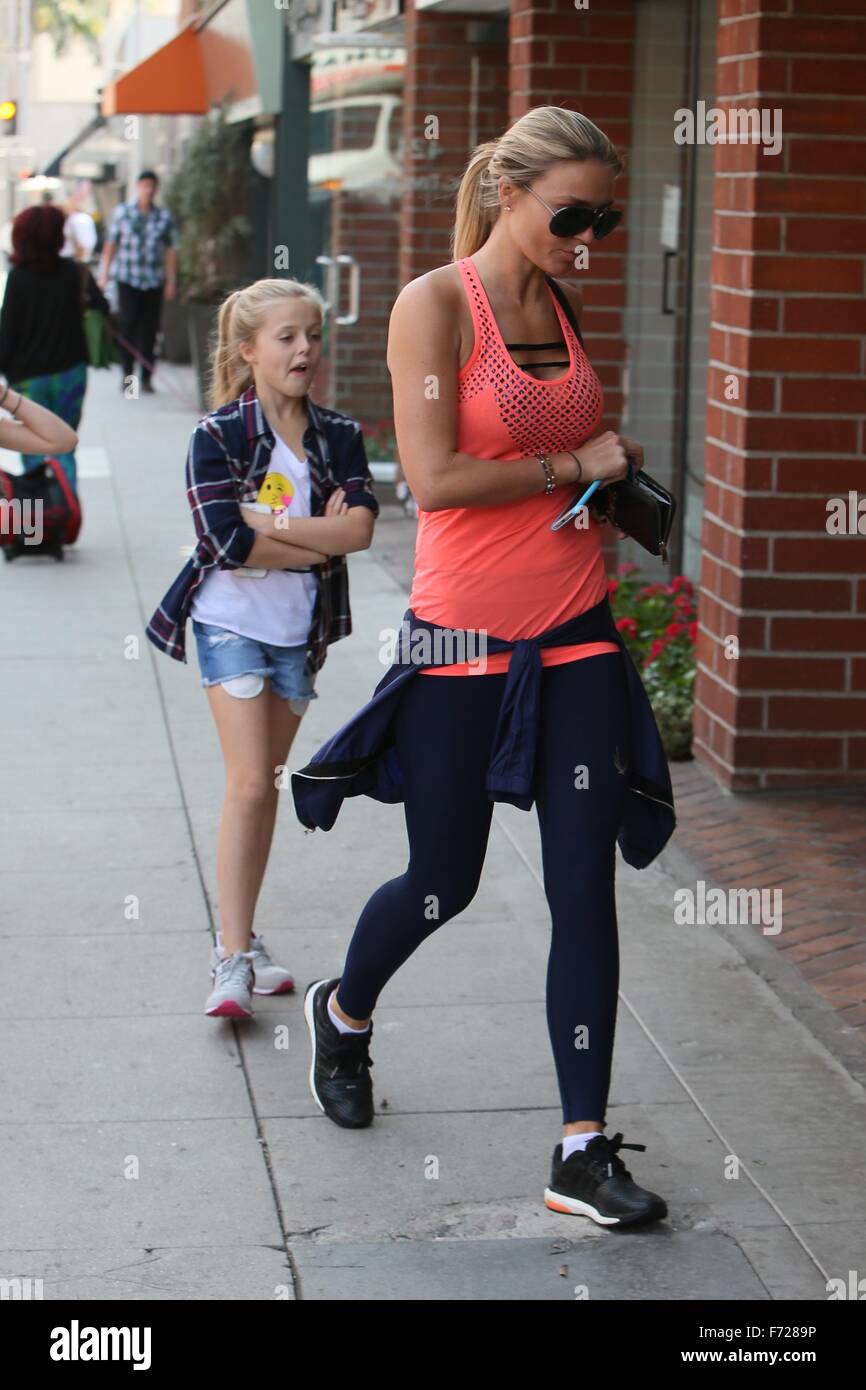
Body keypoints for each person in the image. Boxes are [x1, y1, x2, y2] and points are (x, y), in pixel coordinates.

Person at [298, 106, 676, 1229]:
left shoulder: (561, 302)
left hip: (574, 638)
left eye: (602, 217)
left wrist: (607, 476)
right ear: (507, 192)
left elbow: (552, 463)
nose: (589, 236)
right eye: (572, 214)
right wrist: (572, 456)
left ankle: (577, 1148)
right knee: (441, 881)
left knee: (581, 891)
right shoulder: (430, 305)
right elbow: (434, 476)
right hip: (458, 641)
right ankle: (344, 1010)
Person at [144, 278, 379, 1018]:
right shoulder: (216, 435)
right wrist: (318, 538)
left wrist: (282, 535)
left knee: (264, 789)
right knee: (249, 785)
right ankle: (231, 958)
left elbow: (361, 533)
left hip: (299, 635)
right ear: (248, 350)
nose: (304, 348)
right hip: (228, 623)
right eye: (286, 337)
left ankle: (244, 934)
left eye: (312, 334)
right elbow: (225, 541)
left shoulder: (338, 434)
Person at [0, 203, 108, 493]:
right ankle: (65, 515)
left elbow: (7, 333)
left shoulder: (19, 278)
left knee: (31, 449)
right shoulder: (74, 273)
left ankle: (39, 521)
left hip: (27, 377)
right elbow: (103, 307)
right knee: (63, 446)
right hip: (70, 372)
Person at [98, 169, 176, 393]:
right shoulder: (123, 213)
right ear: (138, 187)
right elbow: (111, 243)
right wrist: (105, 274)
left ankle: (147, 377)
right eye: (145, 185)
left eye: (152, 186)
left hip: (153, 280)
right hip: (127, 277)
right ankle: (127, 375)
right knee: (128, 325)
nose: (148, 190)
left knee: (150, 330)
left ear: (156, 189)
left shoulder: (163, 217)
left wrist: (171, 280)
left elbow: (171, 250)